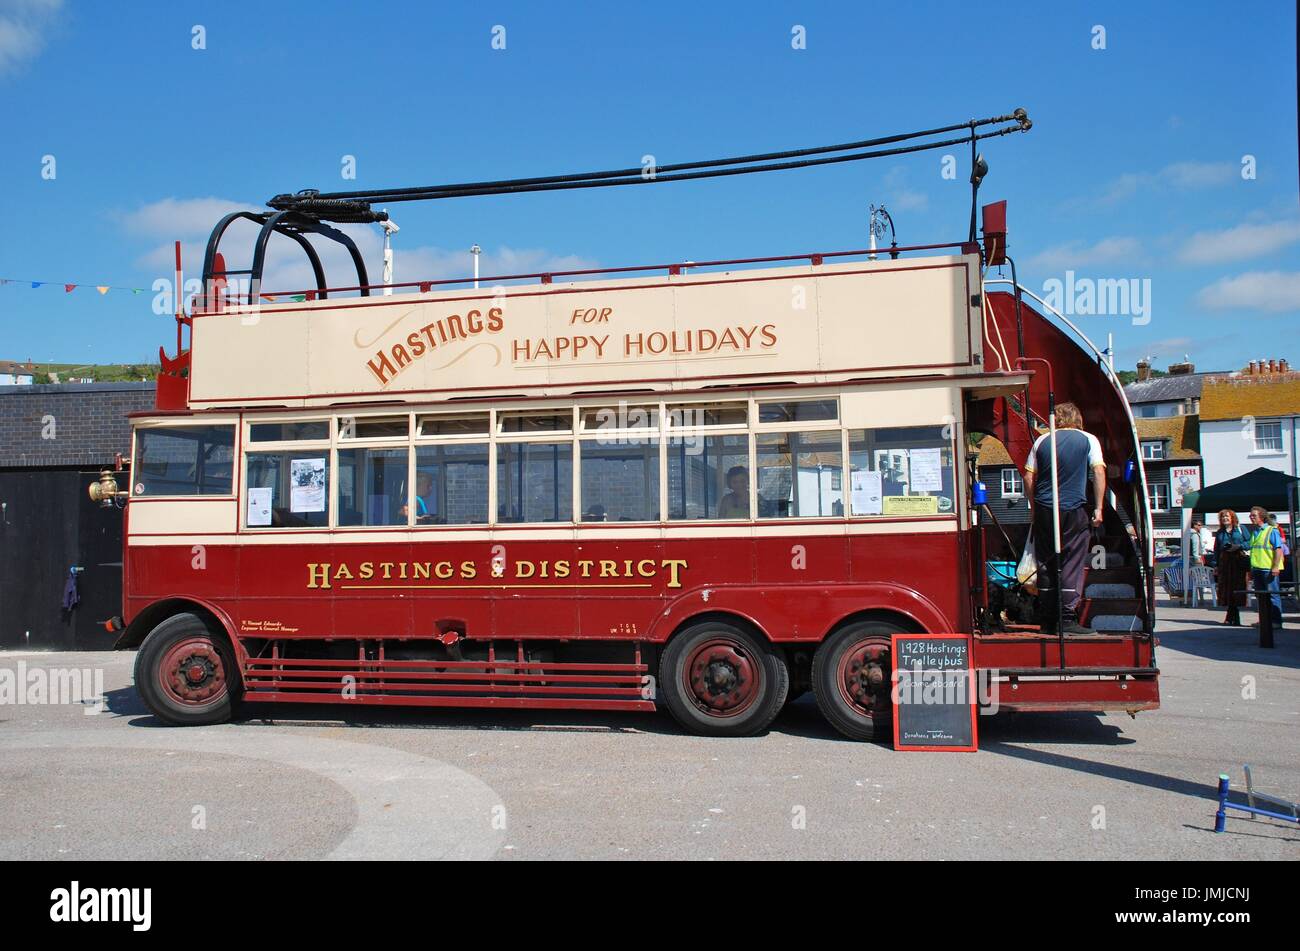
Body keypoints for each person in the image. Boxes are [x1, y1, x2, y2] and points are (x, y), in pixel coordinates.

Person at [1023, 402, 1105, 635]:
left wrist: (1033, 506)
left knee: (1047, 560)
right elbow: (1098, 471)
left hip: (1045, 509)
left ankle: (1048, 619)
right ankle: (1067, 618)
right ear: (1077, 418)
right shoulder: (1088, 439)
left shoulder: (1041, 441)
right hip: (1073, 507)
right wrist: (1098, 508)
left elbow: (1029, 477)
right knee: (1072, 560)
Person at [1209, 509, 1250, 625]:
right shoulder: (1220, 532)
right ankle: (1232, 615)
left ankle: (1232, 615)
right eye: (1222, 517)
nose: (1225, 518)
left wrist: (1238, 546)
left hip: (1238, 561)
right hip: (1225, 563)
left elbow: (1250, 543)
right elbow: (1216, 549)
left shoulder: (1241, 529)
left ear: (1232, 517)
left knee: (1237, 588)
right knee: (1226, 589)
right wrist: (1215, 565)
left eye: (1227, 516)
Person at [1248, 506, 1284, 629]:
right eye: (1251, 515)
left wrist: (1275, 567)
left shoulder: (1271, 530)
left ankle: (1276, 622)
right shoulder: (1255, 532)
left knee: (1273, 596)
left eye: (1254, 515)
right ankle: (1264, 621)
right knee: (1261, 597)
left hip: (1268, 569)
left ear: (1262, 517)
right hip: (1257, 568)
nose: (1251, 517)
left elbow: (1278, 550)